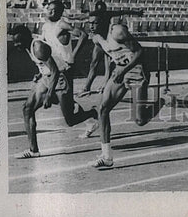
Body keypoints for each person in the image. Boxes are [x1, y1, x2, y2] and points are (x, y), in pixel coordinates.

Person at [88, 21, 174, 168]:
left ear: (104, 19)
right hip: (119, 71)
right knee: (102, 109)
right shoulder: (96, 38)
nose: (91, 26)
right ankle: (106, 156)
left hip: (137, 71)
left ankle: (163, 99)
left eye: (95, 22)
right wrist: (107, 77)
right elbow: (108, 56)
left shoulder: (118, 31)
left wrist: (123, 70)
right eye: (89, 22)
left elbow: (140, 52)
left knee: (140, 120)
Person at [12, 19, 98, 158]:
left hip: (60, 78)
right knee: (27, 109)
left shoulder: (38, 47)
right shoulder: (28, 46)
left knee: (70, 120)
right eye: (15, 42)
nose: (16, 45)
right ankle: (33, 150)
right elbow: (46, 65)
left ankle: (93, 113)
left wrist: (48, 95)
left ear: (26, 38)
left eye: (18, 42)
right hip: (47, 78)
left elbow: (55, 71)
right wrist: (40, 73)